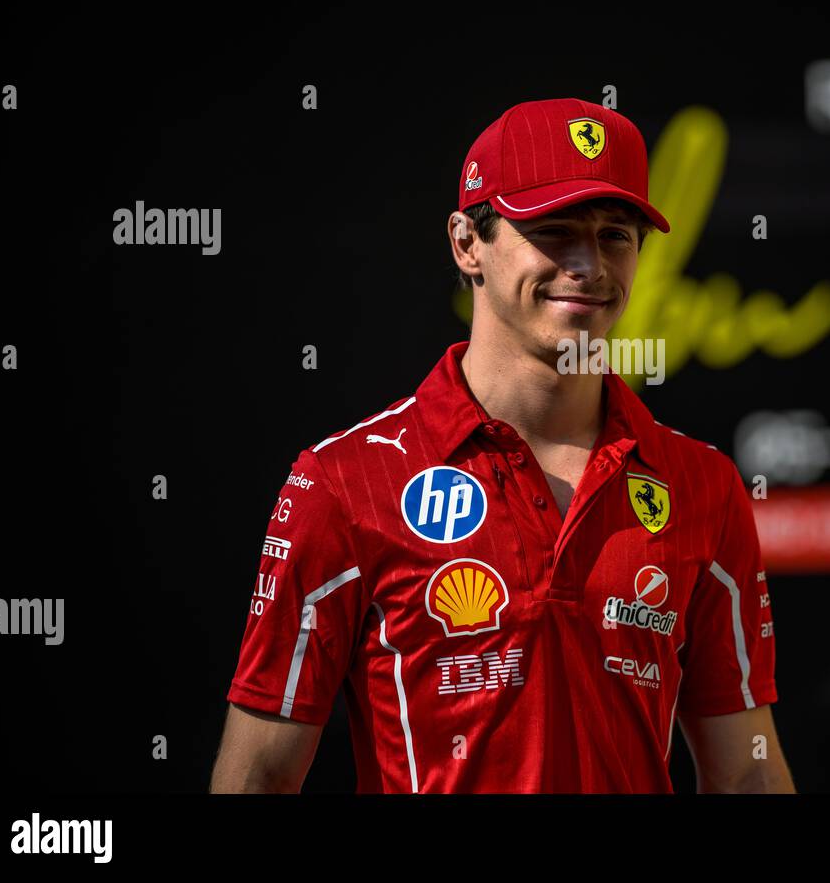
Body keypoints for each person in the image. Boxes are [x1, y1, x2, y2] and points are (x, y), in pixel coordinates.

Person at [209, 97, 793, 792]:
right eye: (554, 230)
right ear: (467, 243)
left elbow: (748, 775)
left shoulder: (701, 482)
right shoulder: (343, 481)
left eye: (616, 234)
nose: (589, 266)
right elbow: (258, 777)